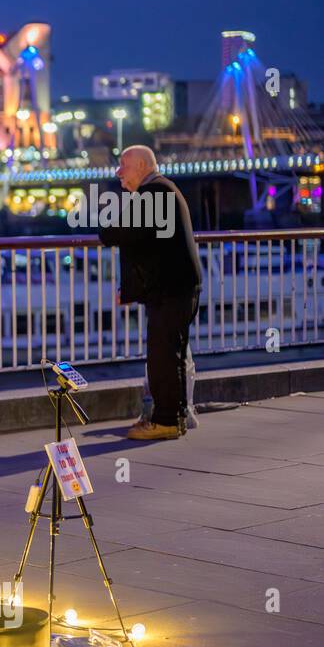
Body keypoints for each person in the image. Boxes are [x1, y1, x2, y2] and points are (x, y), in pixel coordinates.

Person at [98, 145, 201, 441]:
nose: (118, 172)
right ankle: (177, 416)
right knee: (173, 354)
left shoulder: (153, 193)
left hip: (171, 291)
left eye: (123, 165)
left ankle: (165, 421)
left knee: (163, 357)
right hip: (179, 287)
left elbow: (118, 233)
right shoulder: (161, 190)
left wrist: (105, 221)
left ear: (142, 165)